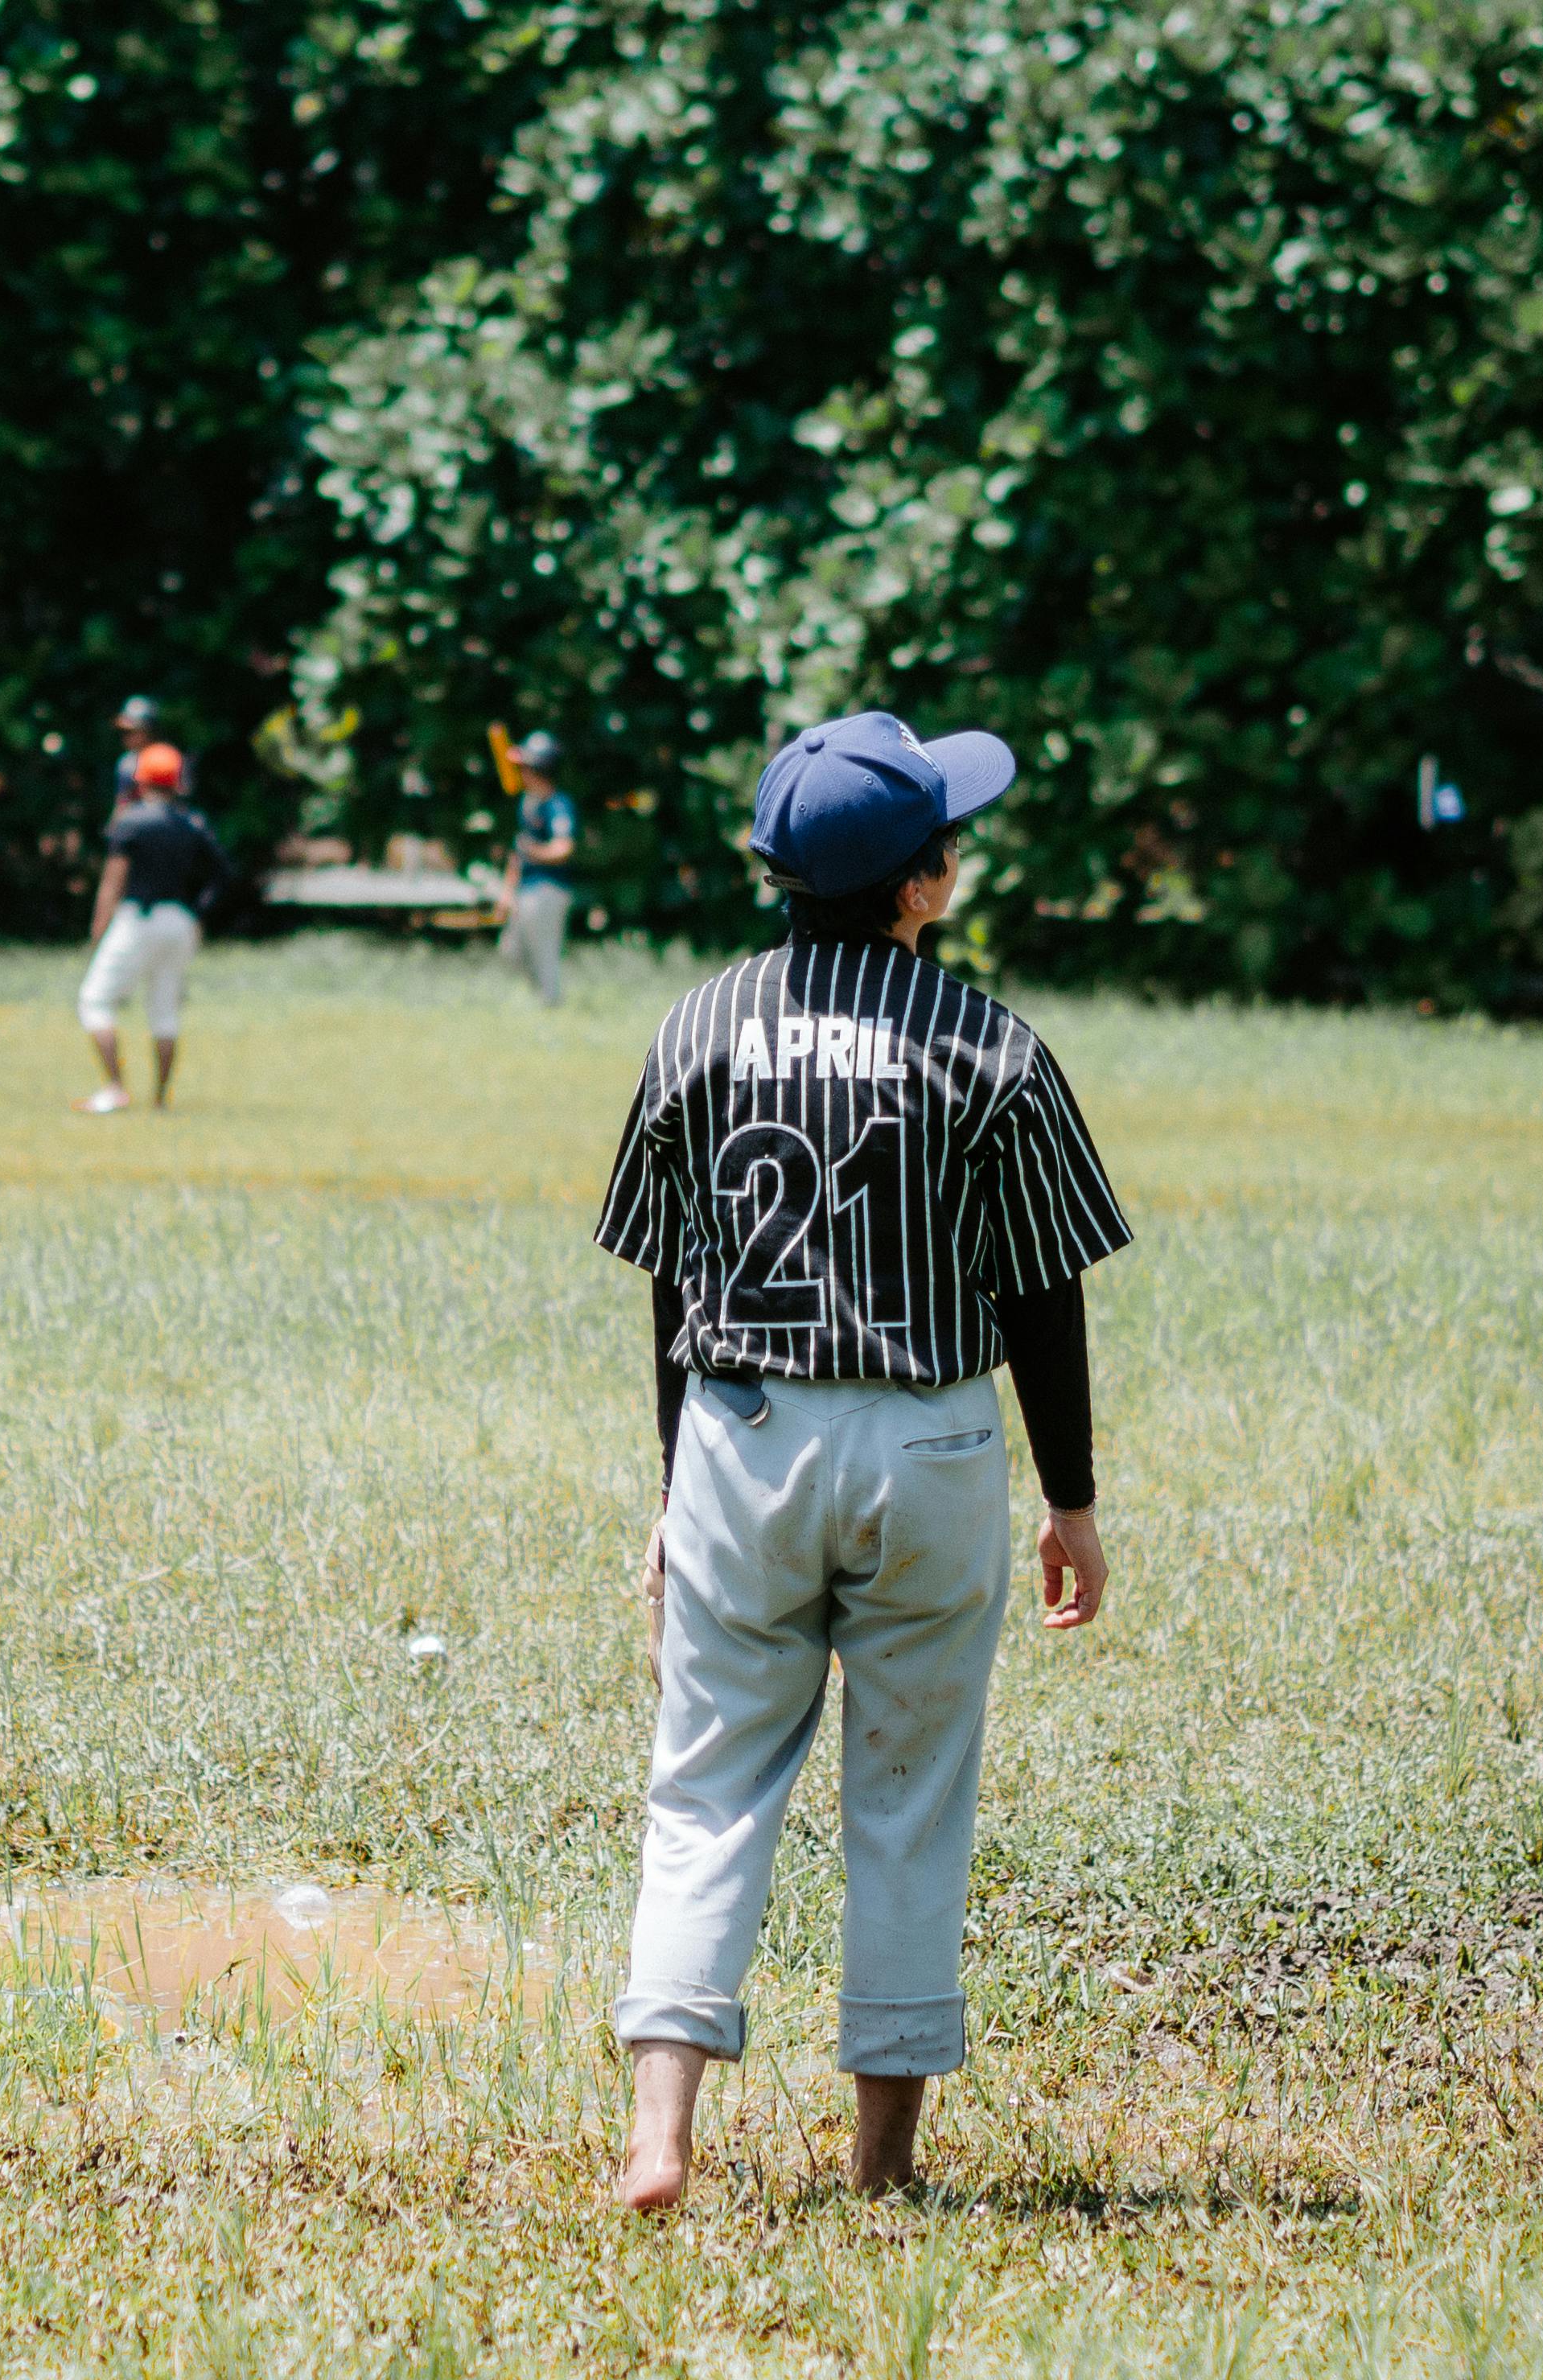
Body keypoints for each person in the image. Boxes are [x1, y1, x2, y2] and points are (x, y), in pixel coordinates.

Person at [591, 710, 1133, 2212]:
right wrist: (1071, 1496)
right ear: (922, 885)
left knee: (703, 1784)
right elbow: (1043, 1290)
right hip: (932, 1439)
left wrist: (669, 1488)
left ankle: (660, 2138)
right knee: (908, 1796)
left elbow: (667, 1279)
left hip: (741, 1428)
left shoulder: (694, 1026)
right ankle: (880, 2167)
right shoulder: (992, 1046)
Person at [73, 742, 228, 1113]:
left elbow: (114, 880)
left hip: (137, 919)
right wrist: (198, 913)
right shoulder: (192, 823)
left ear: (140, 781)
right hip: (179, 922)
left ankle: (114, 1088)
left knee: (95, 1001)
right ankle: (160, 1098)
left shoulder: (131, 822)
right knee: (164, 1011)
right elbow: (221, 874)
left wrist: (99, 926)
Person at [495, 732, 579, 1005]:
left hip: (549, 889)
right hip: (527, 890)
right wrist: (508, 893)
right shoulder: (528, 804)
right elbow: (516, 855)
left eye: (526, 768)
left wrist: (533, 851)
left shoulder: (558, 805)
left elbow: (563, 847)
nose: (521, 773)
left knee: (545, 955)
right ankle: (542, 999)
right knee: (510, 952)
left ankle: (551, 1004)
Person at [111, 694, 193, 812]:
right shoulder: (127, 762)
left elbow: (185, 797)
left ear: (149, 730)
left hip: (172, 822)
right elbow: (122, 804)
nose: (125, 737)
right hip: (139, 825)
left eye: (131, 732)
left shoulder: (171, 758)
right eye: (123, 732)